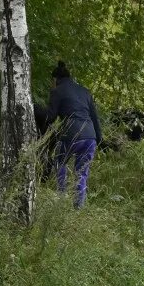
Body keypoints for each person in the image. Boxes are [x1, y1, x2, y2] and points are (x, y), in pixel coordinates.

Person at [44, 61, 103, 208]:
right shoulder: (84, 91)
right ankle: (78, 206)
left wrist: (33, 107)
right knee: (82, 173)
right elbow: (95, 118)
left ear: (55, 79)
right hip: (90, 136)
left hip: (71, 134)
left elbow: (50, 117)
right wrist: (99, 139)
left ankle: (61, 196)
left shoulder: (57, 91)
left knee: (59, 161)